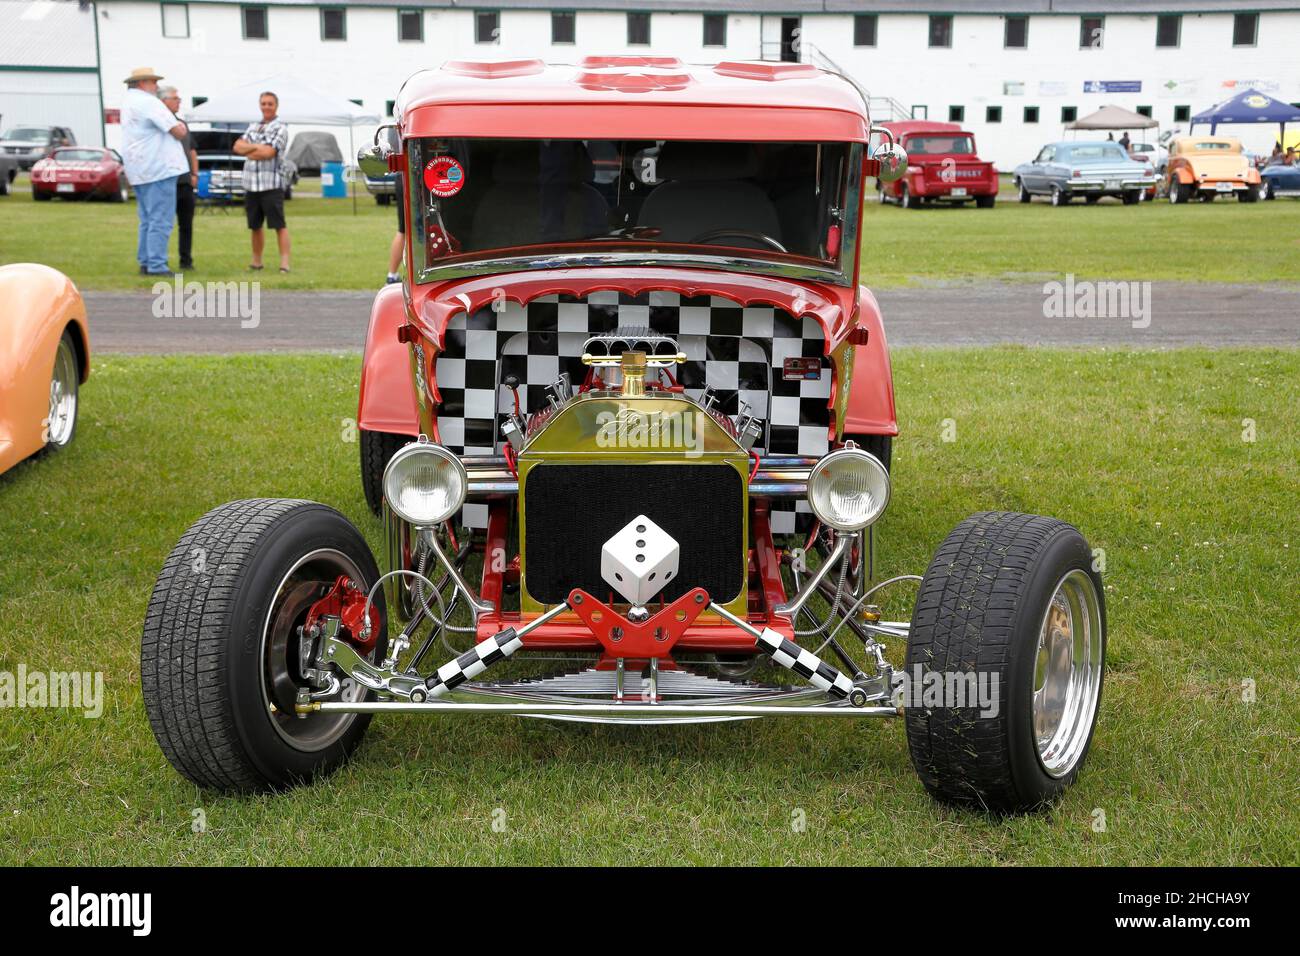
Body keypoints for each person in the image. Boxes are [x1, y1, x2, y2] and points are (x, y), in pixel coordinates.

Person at [119, 67, 189, 276]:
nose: (156, 86)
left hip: (139, 168)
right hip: (159, 167)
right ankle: (157, 265)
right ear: (142, 83)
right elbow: (177, 130)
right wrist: (180, 128)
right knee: (161, 219)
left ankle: (146, 260)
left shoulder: (129, 102)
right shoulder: (149, 102)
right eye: (153, 82)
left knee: (147, 219)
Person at [234, 91, 291, 273]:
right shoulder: (252, 126)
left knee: (278, 225)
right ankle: (256, 262)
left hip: (271, 184)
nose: (266, 107)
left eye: (270, 104)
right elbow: (237, 146)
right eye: (264, 103)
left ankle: (284, 264)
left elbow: (269, 153)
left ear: (276, 106)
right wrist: (258, 148)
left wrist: (249, 149)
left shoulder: (280, 128)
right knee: (255, 225)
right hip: (251, 184)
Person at [160, 86, 198, 271]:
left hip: (185, 183)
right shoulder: (159, 125)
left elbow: (191, 150)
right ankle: (159, 261)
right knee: (164, 224)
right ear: (164, 101)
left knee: (186, 225)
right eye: (175, 98)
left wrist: (194, 174)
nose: (179, 101)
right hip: (166, 182)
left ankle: (186, 261)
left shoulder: (182, 125)